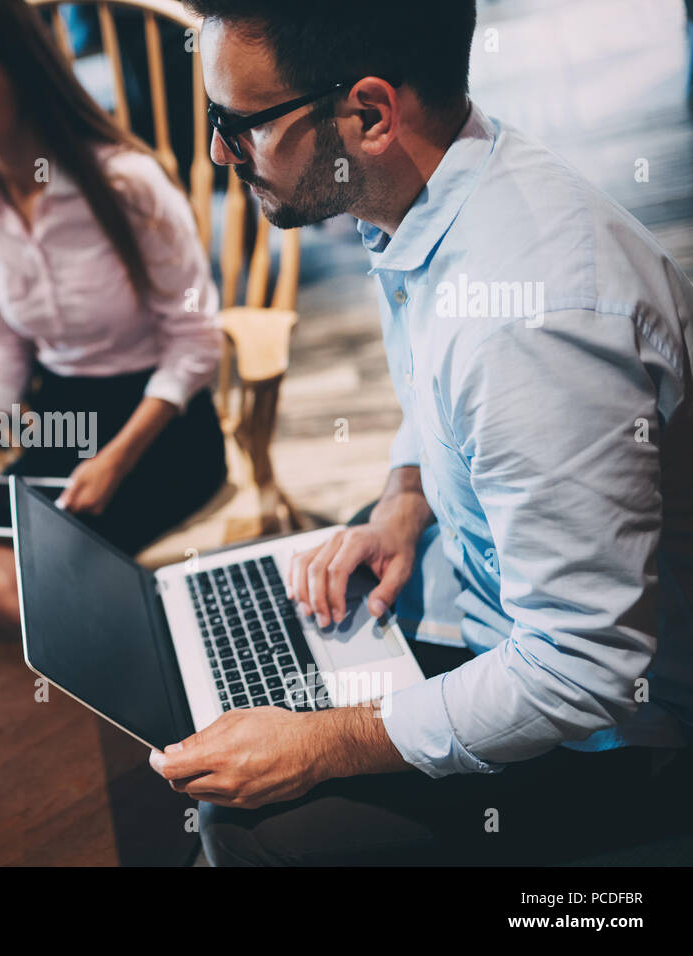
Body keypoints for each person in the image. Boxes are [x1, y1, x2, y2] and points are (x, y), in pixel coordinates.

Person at [148, 0, 693, 865]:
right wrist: (404, 502)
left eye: (239, 123)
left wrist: (319, 742)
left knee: (245, 830)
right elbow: (441, 399)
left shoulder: (533, 322)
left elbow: (583, 671)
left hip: (616, 743)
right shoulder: (430, 193)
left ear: (368, 114)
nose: (219, 152)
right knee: (229, 674)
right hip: (483, 607)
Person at [0, 0, 227, 644]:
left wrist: (116, 458)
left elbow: (196, 342)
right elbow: (6, 348)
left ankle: (128, 697)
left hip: (160, 425)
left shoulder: (128, 186)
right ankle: (61, 713)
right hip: (63, 422)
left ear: (22, 75)